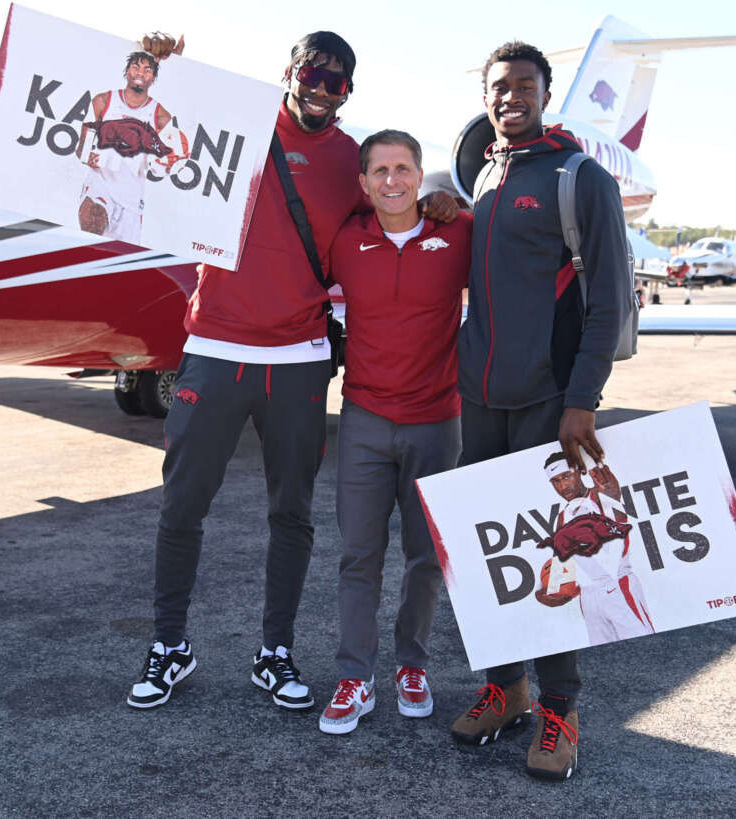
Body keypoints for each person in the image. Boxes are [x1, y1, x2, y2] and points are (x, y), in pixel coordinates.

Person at [127, 33, 457, 713]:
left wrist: (448, 205)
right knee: (183, 504)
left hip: (301, 359)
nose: (322, 88)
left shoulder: (353, 162)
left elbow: (397, 214)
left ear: (348, 93)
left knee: (292, 514)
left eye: (338, 83)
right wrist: (157, 64)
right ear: (289, 71)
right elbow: (144, 123)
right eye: (313, 73)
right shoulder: (234, 123)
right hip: (215, 349)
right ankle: (169, 644)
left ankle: (274, 651)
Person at [449, 41, 632, 781]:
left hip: (547, 401)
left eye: (525, 85)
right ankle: (505, 687)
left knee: (555, 559)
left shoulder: (577, 176)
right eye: (500, 86)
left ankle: (561, 707)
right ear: (487, 96)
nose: (511, 95)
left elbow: (611, 298)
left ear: (545, 93)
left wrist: (581, 401)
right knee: (489, 558)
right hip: (480, 404)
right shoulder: (488, 173)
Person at [317, 130, 471, 735]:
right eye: (379, 170)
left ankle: (413, 665)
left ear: (420, 174)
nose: (391, 180)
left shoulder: (457, 233)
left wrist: (460, 206)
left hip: (439, 421)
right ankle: (356, 675)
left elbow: (510, 251)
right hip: (365, 421)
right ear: (363, 182)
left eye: (403, 168)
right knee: (358, 555)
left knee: (425, 557)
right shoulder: (345, 242)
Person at [536, 453, 654, 645]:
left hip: (618, 586)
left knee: (645, 647)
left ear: (578, 472)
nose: (563, 486)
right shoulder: (563, 517)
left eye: (566, 476)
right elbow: (563, 563)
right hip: (588, 595)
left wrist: (612, 497)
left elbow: (614, 507)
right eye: (556, 481)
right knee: (606, 656)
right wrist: (552, 592)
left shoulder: (600, 494)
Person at [77, 42, 186, 243]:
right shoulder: (103, 101)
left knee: (112, 264)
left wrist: (170, 164)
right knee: (91, 227)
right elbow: (82, 144)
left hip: (131, 202)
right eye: (135, 67)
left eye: (147, 70)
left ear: (153, 78)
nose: (140, 73)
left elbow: (169, 161)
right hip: (100, 182)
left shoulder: (161, 117)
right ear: (127, 71)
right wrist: (86, 155)